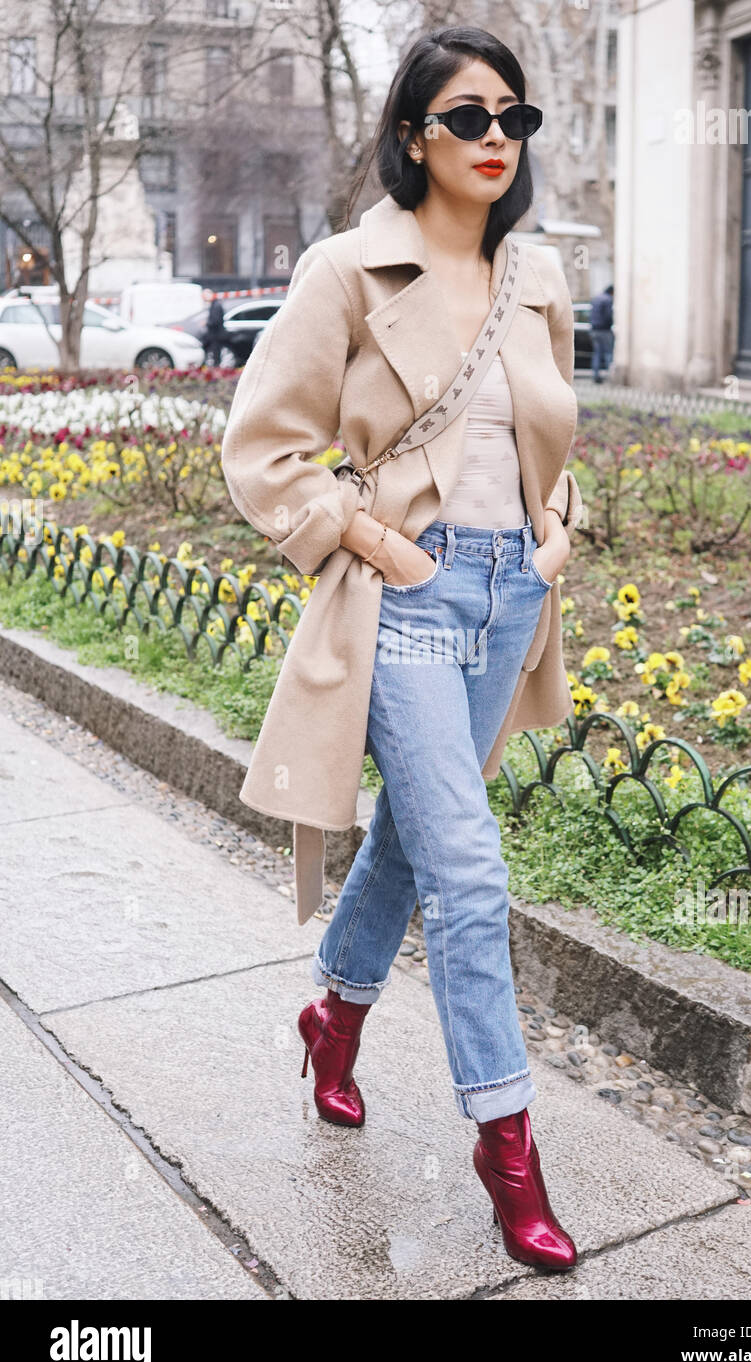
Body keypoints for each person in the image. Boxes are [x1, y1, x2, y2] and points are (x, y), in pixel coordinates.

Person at [220, 25, 584, 1272]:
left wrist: (552, 533)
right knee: (469, 874)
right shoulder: (346, 271)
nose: (495, 140)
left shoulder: (535, 278)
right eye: (468, 117)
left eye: (512, 120)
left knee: (413, 835)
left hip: (507, 598)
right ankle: (508, 1143)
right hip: (408, 603)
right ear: (413, 133)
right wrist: (381, 547)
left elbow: (549, 439)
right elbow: (261, 451)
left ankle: (333, 1010)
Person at [589, 283, 614, 383]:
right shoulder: (608, 299)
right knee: (608, 353)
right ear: (612, 292)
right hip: (604, 330)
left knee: (597, 353)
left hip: (594, 329)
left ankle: (595, 375)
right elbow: (608, 315)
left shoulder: (596, 298)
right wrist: (611, 324)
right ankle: (611, 377)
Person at [202, 294, 226, 366]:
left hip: (216, 334)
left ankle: (216, 369)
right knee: (215, 353)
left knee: (216, 353)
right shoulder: (215, 304)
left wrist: (207, 323)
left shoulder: (215, 306)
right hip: (216, 334)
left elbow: (215, 321)